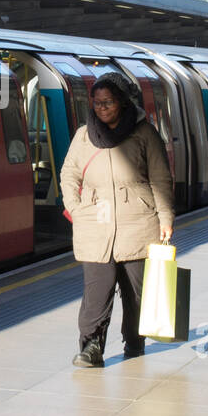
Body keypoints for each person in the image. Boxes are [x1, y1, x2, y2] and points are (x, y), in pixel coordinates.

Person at [60, 73, 174, 367]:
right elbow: (69, 174)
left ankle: (135, 340)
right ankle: (91, 347)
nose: (101, 108)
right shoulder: (83, 136)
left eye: (108, 102)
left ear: (123, 102)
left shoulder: (144, 133)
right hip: (95, 223)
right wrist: (77, 208)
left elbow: (161, 178)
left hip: (138, 221)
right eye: (96, 103)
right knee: (97, 289)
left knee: (136, 290)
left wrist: (165, 217)